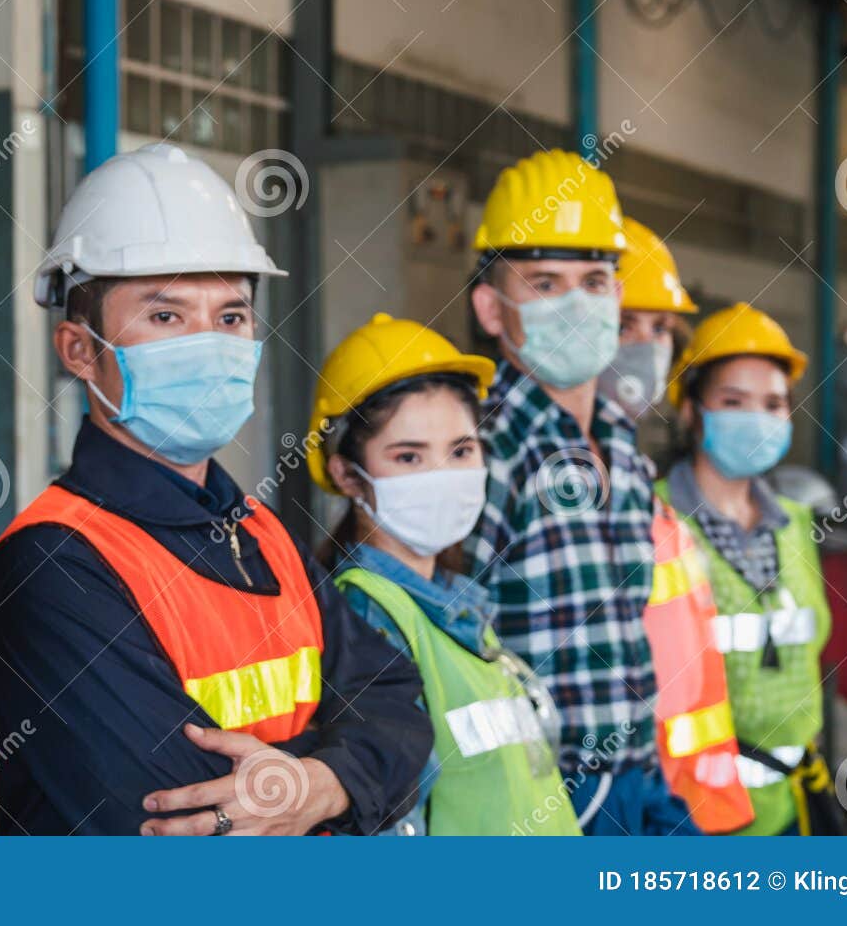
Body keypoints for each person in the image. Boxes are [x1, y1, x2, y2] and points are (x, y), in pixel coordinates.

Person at [0, 144, 432, 836]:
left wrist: (319, 786)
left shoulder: (261, 533)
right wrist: (340, 776)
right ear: (80, 351)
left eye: (232, 317)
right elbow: (185, 818)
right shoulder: (51, 569)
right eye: (167, 317)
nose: (210, 343)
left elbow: (400, 708)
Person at [466, 149, 696, 835]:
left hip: (638, 782)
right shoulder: (481, 449)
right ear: (490, 307)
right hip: (539, 799)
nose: (576, 304)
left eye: (595, 280)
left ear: (619, 295)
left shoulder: (624, 450)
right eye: (544, 282)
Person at [308, 312, 581, 836]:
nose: (443, 477)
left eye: (461, 450)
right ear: (347, 474)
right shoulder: (369, 614)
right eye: (409, 457)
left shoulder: (454, 608)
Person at [657, 303, 833, 835]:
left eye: (773, 404)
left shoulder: (795, 523)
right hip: (694, 815)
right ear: (691, 411)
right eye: (734, 402)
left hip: (793, 803)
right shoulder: (654, 522)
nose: (757, 419)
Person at [602, 218, 754, 834]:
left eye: (661, 328)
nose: (645, 346)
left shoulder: (642, 490)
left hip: (679, 809)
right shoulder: (554, 487)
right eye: (624, 326)